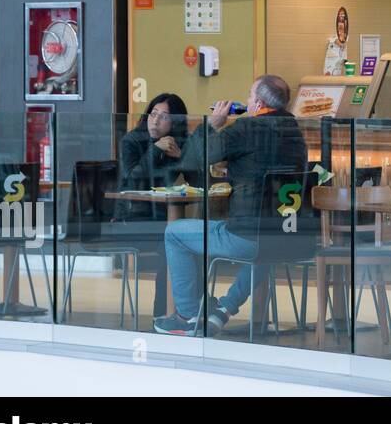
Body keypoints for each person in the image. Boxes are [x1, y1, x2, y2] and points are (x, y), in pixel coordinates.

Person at [154, 74, 306, 336]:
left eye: (249, 94)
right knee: (268, 241)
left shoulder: (245, 129)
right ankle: (222, 310)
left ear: (257, 103)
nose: (246, 100)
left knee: (174, 233)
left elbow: (192, 159)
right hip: (289, 235)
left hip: (248, 236)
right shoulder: (296, 132)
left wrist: (212, 124)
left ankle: (188, 316)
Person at [119, 93, 194, 317]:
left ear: (175, 123)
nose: (155, 120)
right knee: (172, 246)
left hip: (164, 218)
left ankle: (189, 311)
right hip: (133, 219)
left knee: (192, 241)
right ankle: (163, 314)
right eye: (153, 114)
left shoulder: (179, 143)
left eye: (164, 117)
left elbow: (199, 182)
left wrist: (182, 157)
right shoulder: (131, 141)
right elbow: (132, 179)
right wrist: (155, 150)